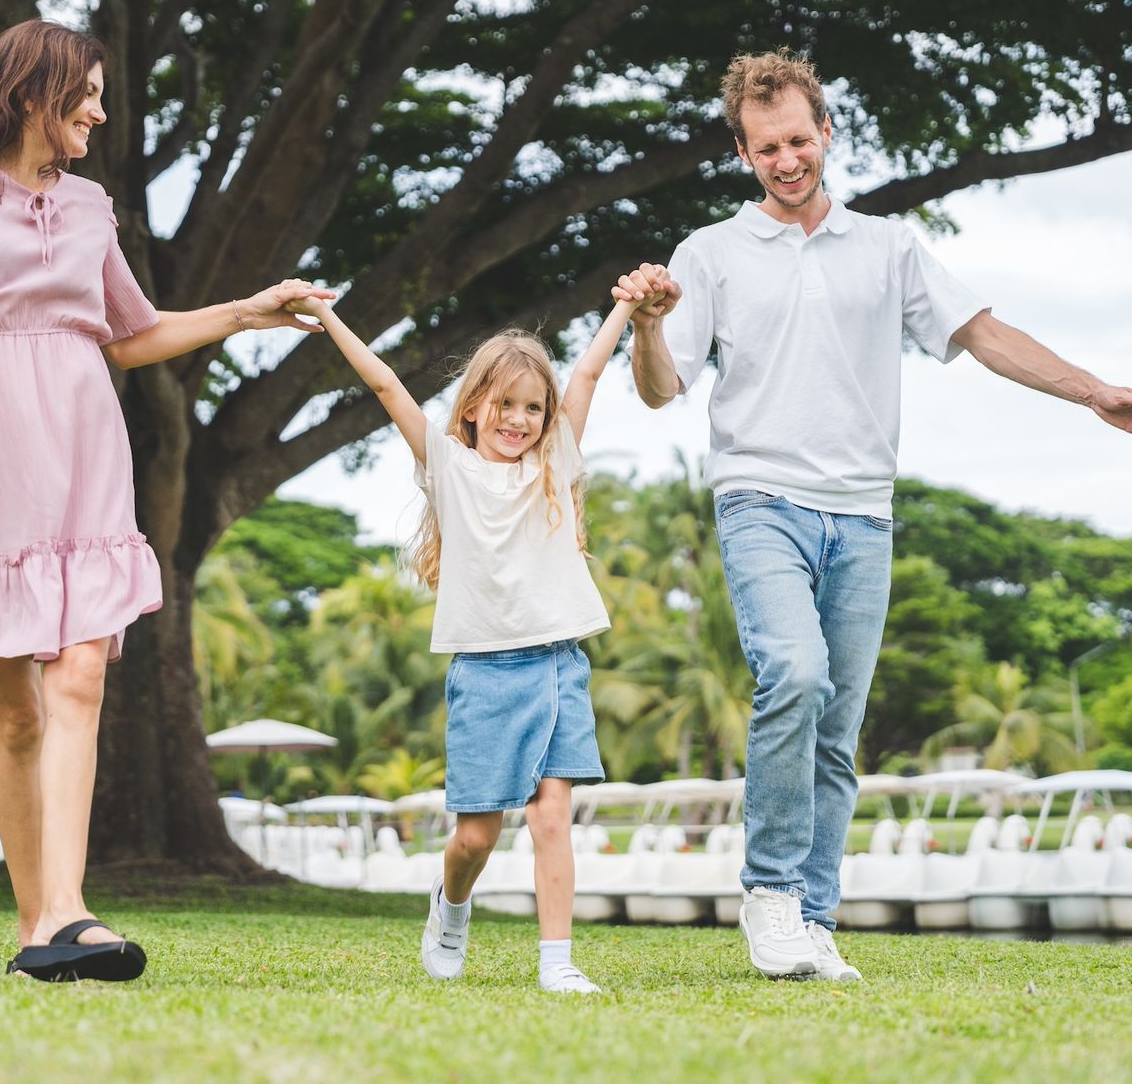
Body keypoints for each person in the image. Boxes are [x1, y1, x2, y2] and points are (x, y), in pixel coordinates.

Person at [618, 48, 1132, 982]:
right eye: (766, 147)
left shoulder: (888, 248)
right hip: (760, 498)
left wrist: (1091, 388)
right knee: (795, 674)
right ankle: (770, 892)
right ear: (741, 152)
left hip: (862, 514)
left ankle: (812, 918)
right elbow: (660, 389)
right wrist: (650, 324)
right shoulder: (710, 254)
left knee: (835, 730)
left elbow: (982, 333)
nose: (786, 160)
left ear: (825, 131)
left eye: (798, 140)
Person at [0, 19, 333, 983]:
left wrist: (247, 310)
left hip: (86, 435)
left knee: (81, 671)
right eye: (86, 93)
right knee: (14, 709)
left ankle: (68, 913)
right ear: (31, 93)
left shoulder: (89, 207)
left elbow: (129, 334)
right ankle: (37, 926)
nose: (99, 112)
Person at [284, 279, 672, 993]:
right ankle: (451, 904)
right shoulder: (447, 465)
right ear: (471, 406)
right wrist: (327, 316)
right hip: (486, 673)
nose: (519, 419)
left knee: (552, 816)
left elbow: (587, 374)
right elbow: (384, 383)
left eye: (533, 407)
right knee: (475, 836)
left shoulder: (554, 464)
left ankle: (557, 961)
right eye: (505, 404)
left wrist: (624, 305)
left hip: (558, 663)